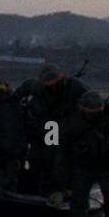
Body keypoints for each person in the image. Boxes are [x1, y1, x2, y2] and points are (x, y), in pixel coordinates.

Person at [12, 64, 89, 195]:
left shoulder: (75, 86)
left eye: (55, 83)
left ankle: (64, 188)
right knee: (37, 158)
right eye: (48, 84)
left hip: (67, 126)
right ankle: (36, 187)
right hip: (47, 126)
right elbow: (15, 97)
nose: (52, 86)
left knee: (61, 159)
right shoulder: (34, 86)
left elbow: (91, 101)